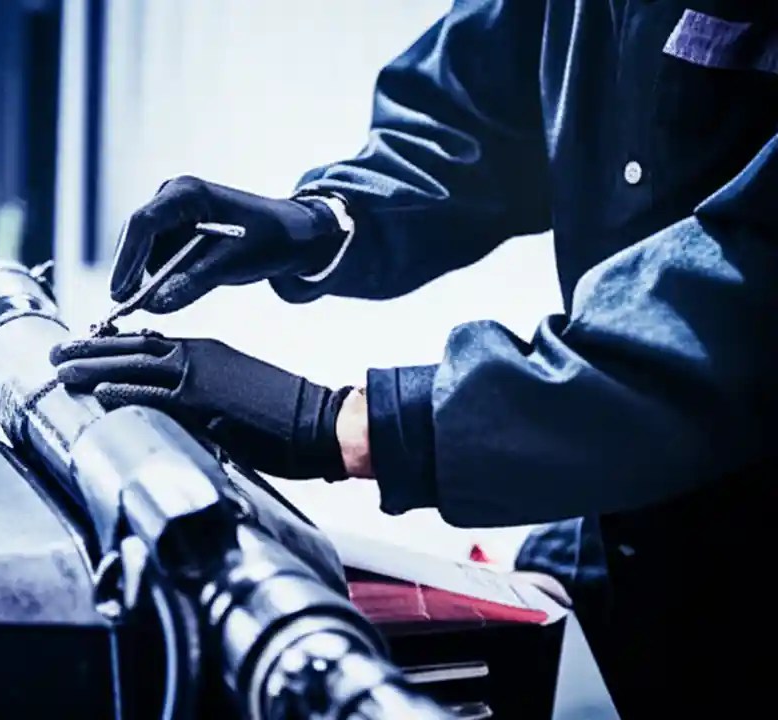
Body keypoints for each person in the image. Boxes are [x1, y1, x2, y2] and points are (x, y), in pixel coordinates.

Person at [50, 1, 778, 717]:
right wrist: (320, 222)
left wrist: (343, 424)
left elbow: (735, 311)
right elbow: (475, 111)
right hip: (639, 550)